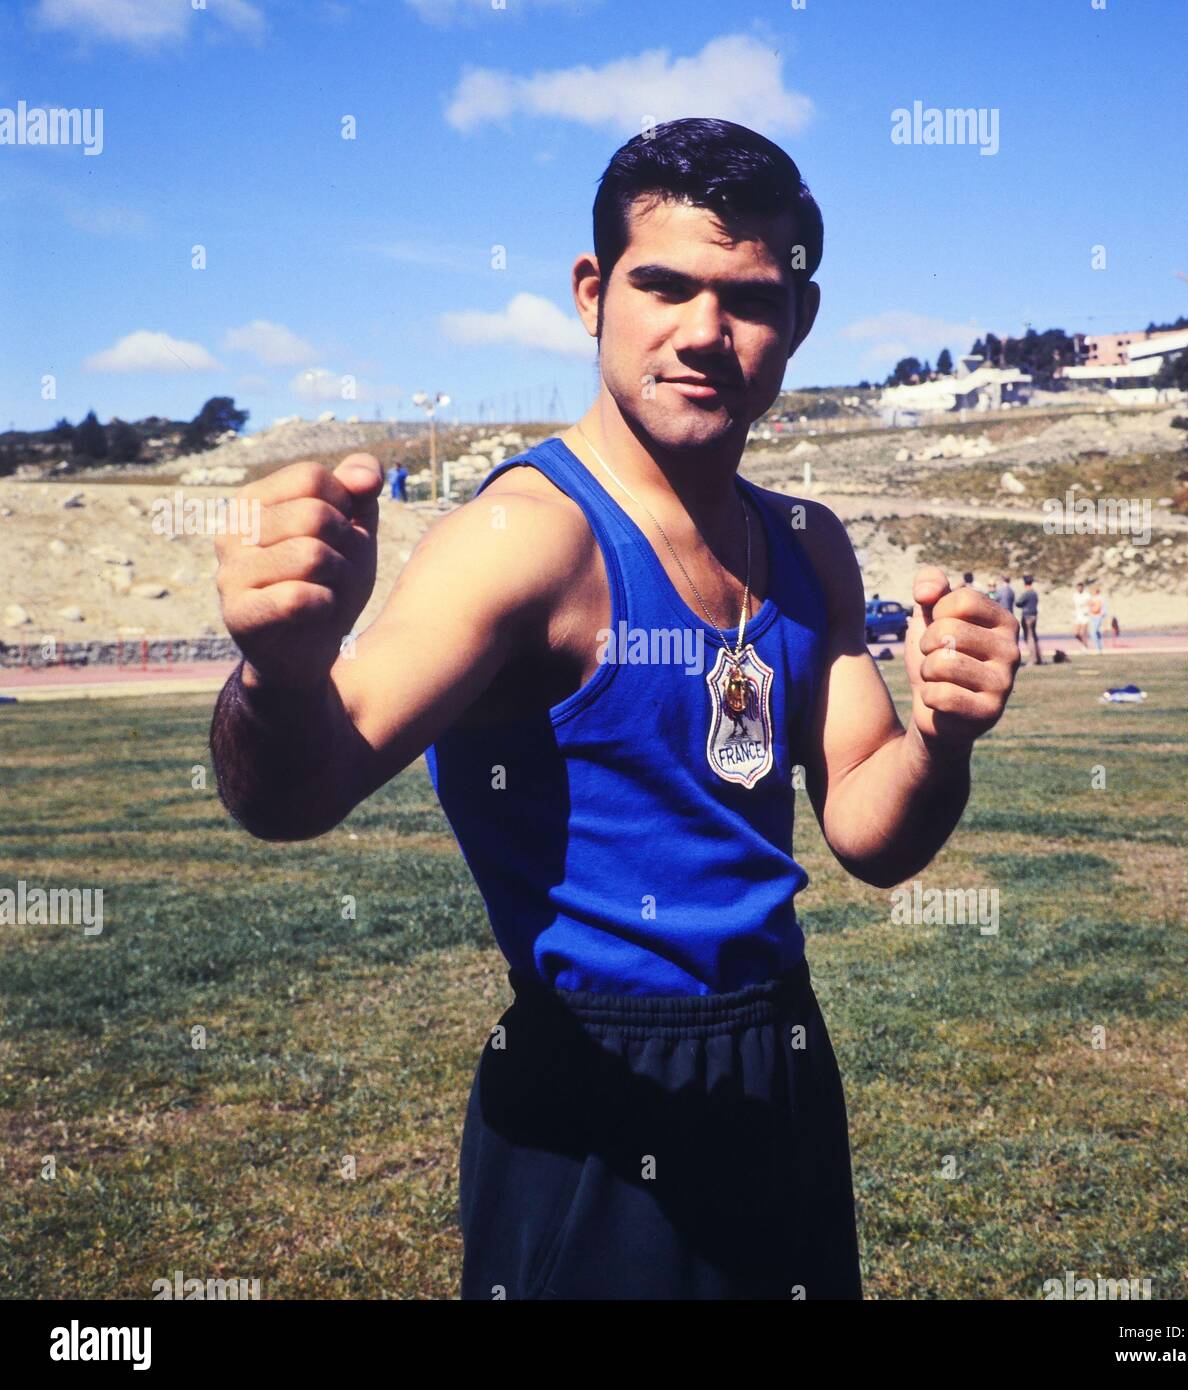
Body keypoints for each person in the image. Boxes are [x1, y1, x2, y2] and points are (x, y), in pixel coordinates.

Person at [207, 118, 1021, 1302]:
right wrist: (279, 673)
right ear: (593, 292)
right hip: (593, 1091)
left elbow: (868, 829)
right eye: (663, 284)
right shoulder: (526, 536)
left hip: (779, 1059)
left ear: (797, 317)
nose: (704, 333)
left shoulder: (806, 546)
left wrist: (942, 740)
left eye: (747, 297)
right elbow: (296, 789)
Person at [1014, 574, 1042, 665]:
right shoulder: (1034, 593)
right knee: (1034, 636)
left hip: (1027, 616)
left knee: (1029, 638)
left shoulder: (1027, 593)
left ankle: (1033, 659)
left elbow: (1018, 603)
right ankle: (1039, 658)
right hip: (1034, 616)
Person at [1086, 584, 1105, 652]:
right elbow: (1087, 604)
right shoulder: (1093, 598)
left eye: (1093, 590)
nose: (1092, 592)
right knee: (1096, 632)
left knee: (1093, 632)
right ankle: (1099, 647)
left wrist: (1091, 608)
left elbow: (1097, 609)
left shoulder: (1100, 598)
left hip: (1098, 616)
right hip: (1092, 616)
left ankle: (1098, 648)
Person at [1072, 581, 1090, 648]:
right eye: (1078, 588)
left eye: (1080, 587)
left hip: (1085, 615)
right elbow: (1074, 604)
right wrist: (1074, 613)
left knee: (1083, 632)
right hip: (1078, 615)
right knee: (1076, 633)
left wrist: (1086, 610)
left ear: (1083, 588)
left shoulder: (1086, 595)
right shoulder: (1075, 595)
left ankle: (1085, 646)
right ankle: (1084, 644)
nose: (1079, 589)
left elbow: (1089, 603)